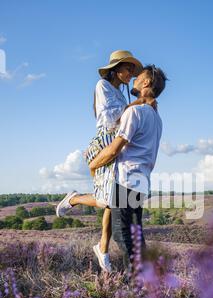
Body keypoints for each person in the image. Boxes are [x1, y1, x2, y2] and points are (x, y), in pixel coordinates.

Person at [56, 50, 155, 272]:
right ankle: (75, 199)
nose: (131, 73)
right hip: (106, 142)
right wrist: (140, 103)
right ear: (116, 69)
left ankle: (102, 248)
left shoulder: (121, 93)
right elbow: (111, 120)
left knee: (113, 198)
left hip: (119, 142)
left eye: (133, 70)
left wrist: (137, 105)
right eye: (128, 69)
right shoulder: (103, 86)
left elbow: (125, 118)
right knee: (106, 201)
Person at [88, 65, 167, 271]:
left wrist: (93, 164)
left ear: (146, 83)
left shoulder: (135, 112)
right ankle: (146, 285)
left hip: (125, 181)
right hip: (141, 184)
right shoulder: (157, 118)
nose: (133, 78)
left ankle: (138, 290)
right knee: (136, 239)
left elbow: (114, 149)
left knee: (125, 238)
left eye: (138, 77)